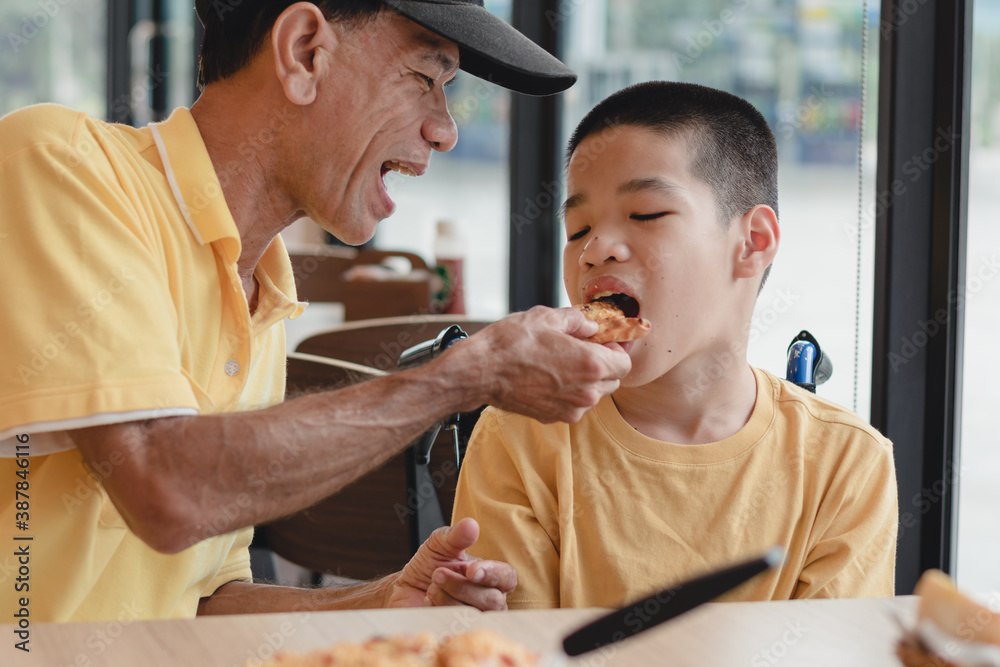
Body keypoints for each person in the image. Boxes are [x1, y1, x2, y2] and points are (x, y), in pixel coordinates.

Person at [0, 0, 632, 623]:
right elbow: (165, 490)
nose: (446, 128)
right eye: (425, 78)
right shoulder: (58, 163)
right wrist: (466, 374)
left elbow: (201, 602)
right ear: (304, 51)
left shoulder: (264, 300)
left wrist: (380, 600)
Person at [451, 81, 899, 609]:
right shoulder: (521, 437)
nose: (595, 250)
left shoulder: (847, 463)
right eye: (577, 229)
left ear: (751, 244)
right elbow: (515, 650)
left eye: (645, 215)